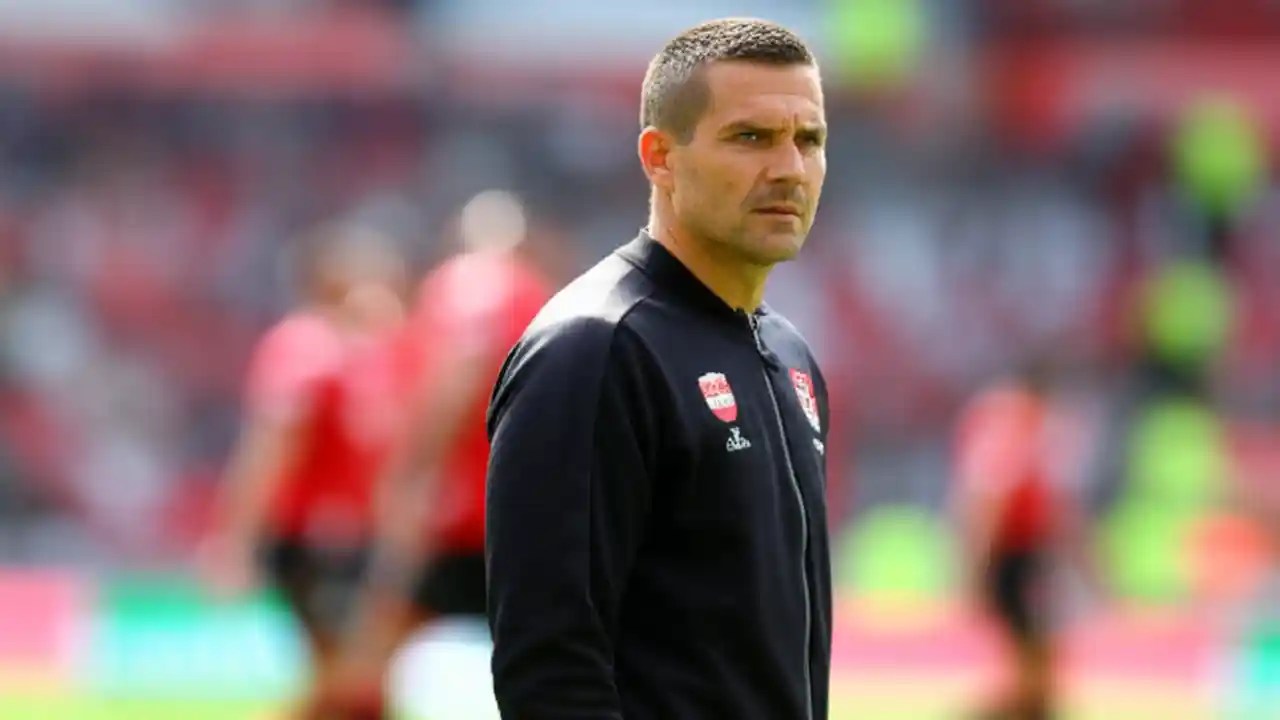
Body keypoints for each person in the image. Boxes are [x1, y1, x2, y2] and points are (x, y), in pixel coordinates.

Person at [485, 18, 832, 719]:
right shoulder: (595, 349)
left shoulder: (788, 355)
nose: (790, 168)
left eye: (809, 140)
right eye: (751, 137)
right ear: (659, 157)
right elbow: (549, 672)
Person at [333, 190, 554, 719]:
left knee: (371, 656)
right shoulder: (541, 292)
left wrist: (412, 472)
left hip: (458, 514)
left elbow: (458, 374)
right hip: (530, 512)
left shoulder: (465, 284)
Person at [201, 223, 407, 720]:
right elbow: (272, 445)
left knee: (364, 690)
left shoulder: (371, 350)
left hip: (359, 538)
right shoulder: (306, 345)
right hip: (319, 539)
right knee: (351, 680)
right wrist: (236, 537)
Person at [953, 363, 1099, 720]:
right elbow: (993, 505)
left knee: (1038, 664)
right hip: (1018, 558)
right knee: (1035, 666)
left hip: (1023, 558)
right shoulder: (1021, 431)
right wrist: (977, 564)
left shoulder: (1008, 428)